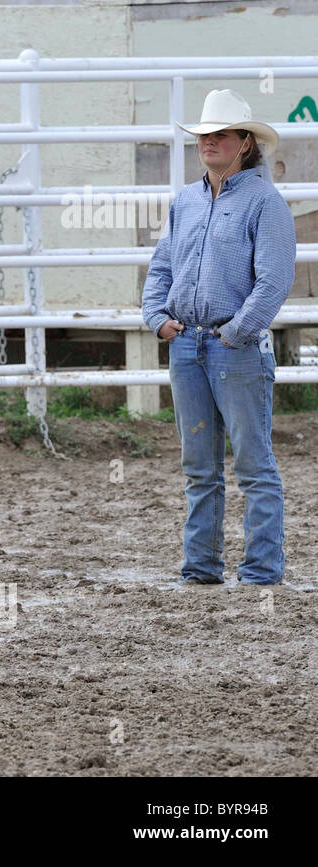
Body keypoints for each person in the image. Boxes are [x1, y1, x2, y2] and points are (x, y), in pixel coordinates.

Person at [142, 89, 296, 586]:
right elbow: (162, 264)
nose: (208, 142)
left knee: (252, 463)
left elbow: (274, 280)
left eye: (220, 135)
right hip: (188, 342)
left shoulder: (265, 203)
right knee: (199, 465)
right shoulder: (185, 201)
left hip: (234, 346)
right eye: (204, 135)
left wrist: (237, 331)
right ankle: (202, 566)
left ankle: (260, 570)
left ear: (244, 144)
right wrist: (156, 316)